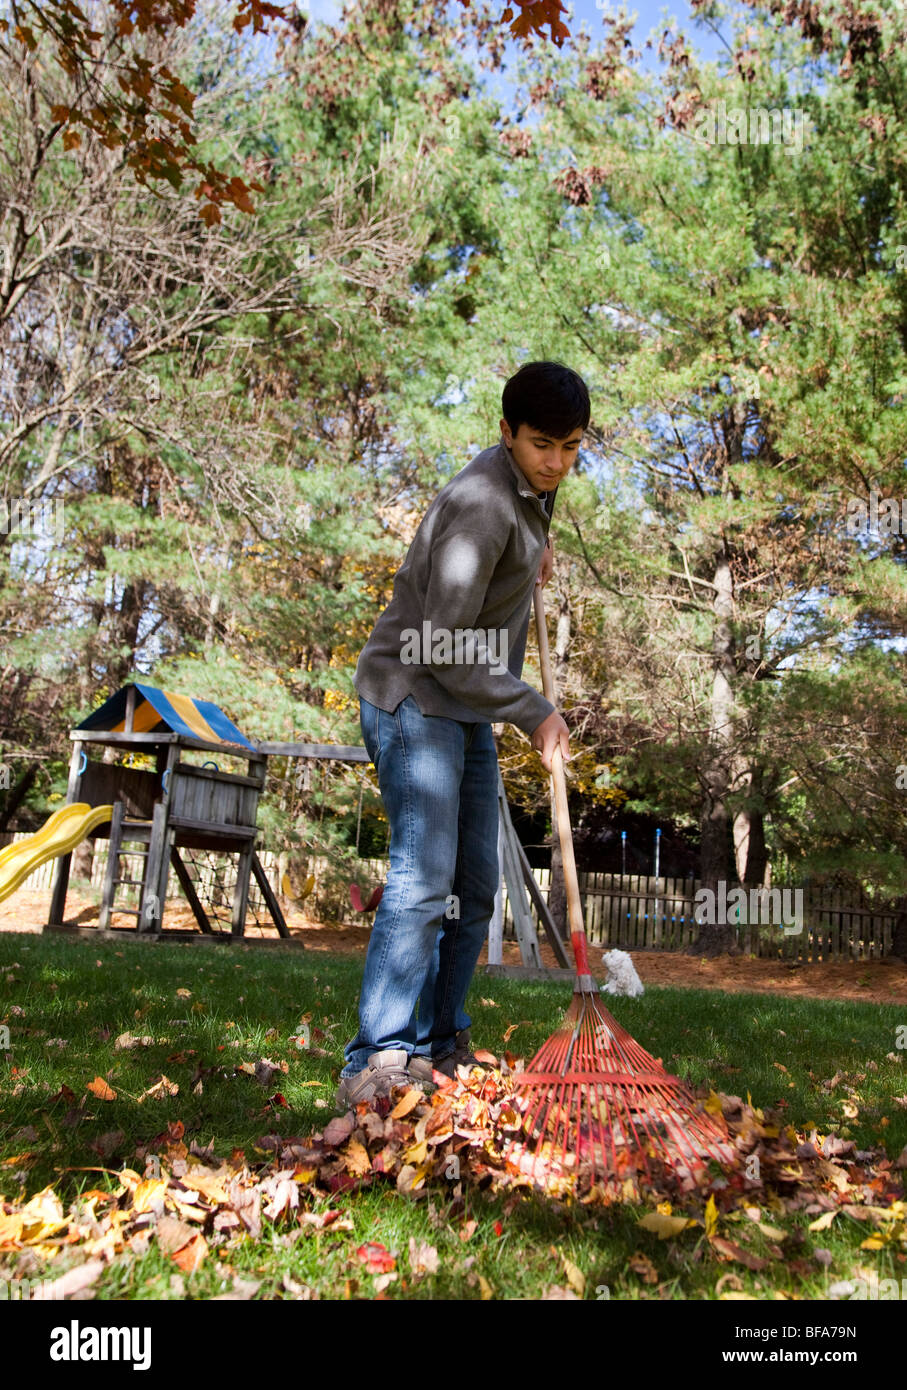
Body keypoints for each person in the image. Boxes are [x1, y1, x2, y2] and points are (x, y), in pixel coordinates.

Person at [336, 360, 590, 1107]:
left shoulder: (529, 494)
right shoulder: (483, 505)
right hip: (417, 695)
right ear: (504, 431)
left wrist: (531, 556)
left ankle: (439, 1045)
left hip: (464, 707)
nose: (556, 462)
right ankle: (378, 1057)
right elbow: (440, 645)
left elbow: (497, 565)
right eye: (542, 444)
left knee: (473, 886)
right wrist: (533, 708)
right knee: (422, 881)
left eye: (571, 446)